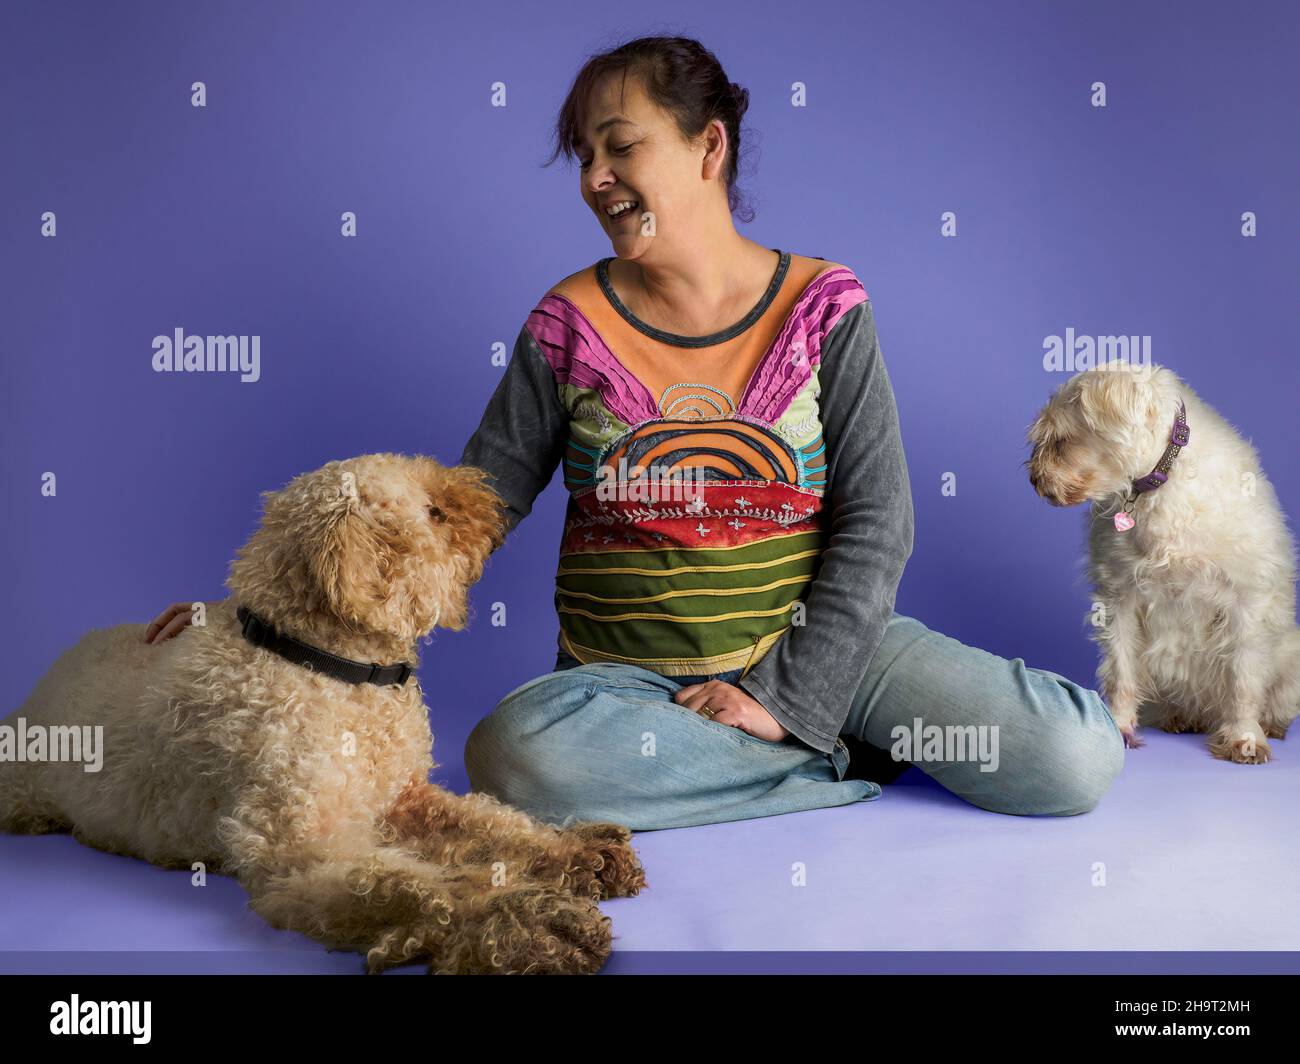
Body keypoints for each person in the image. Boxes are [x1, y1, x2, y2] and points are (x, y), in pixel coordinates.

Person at [148, 35, 1123, 832]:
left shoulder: (826, 305)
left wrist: (793, 691)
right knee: (514, 756)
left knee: (1072, 757)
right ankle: (834, 756)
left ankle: (800, 729)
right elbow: (460, 511)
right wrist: (259, 610)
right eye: (584, 156)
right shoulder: (567, 323)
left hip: (828, 648)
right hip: (633, 687)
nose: (596, 177)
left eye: (621, 146)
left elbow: (878, 519)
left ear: (708, 148)